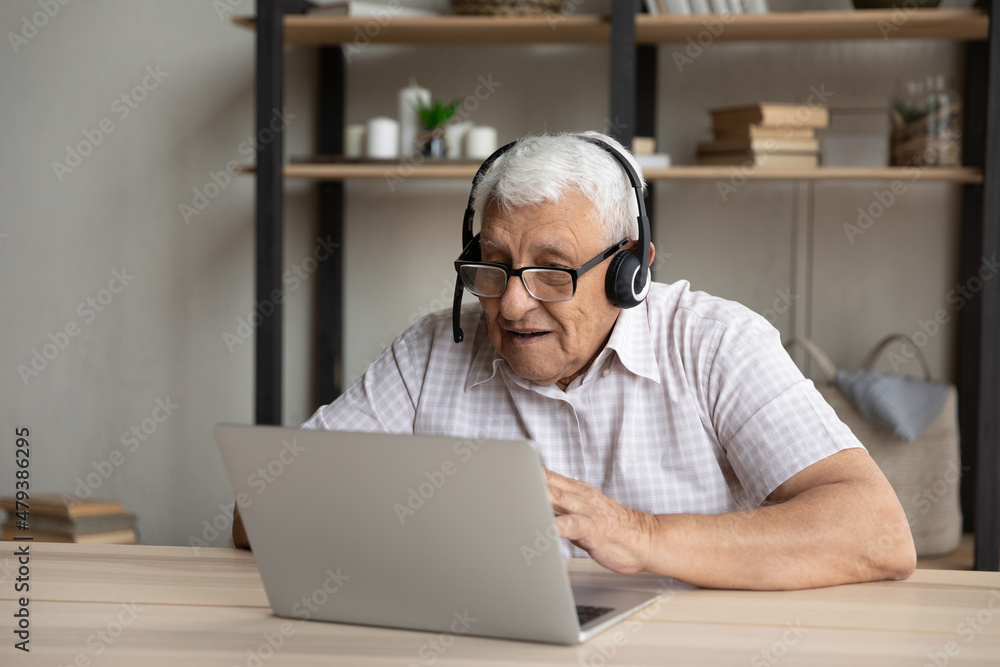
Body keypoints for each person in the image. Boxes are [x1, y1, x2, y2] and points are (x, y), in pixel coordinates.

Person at [264, 131, 915, 590]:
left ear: (631, 270)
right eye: (493, 265)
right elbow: (263, 507)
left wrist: (641, 535)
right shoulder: (433, 349)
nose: (512, 304)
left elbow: (878, 534)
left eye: (552, 271)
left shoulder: (717, 343)